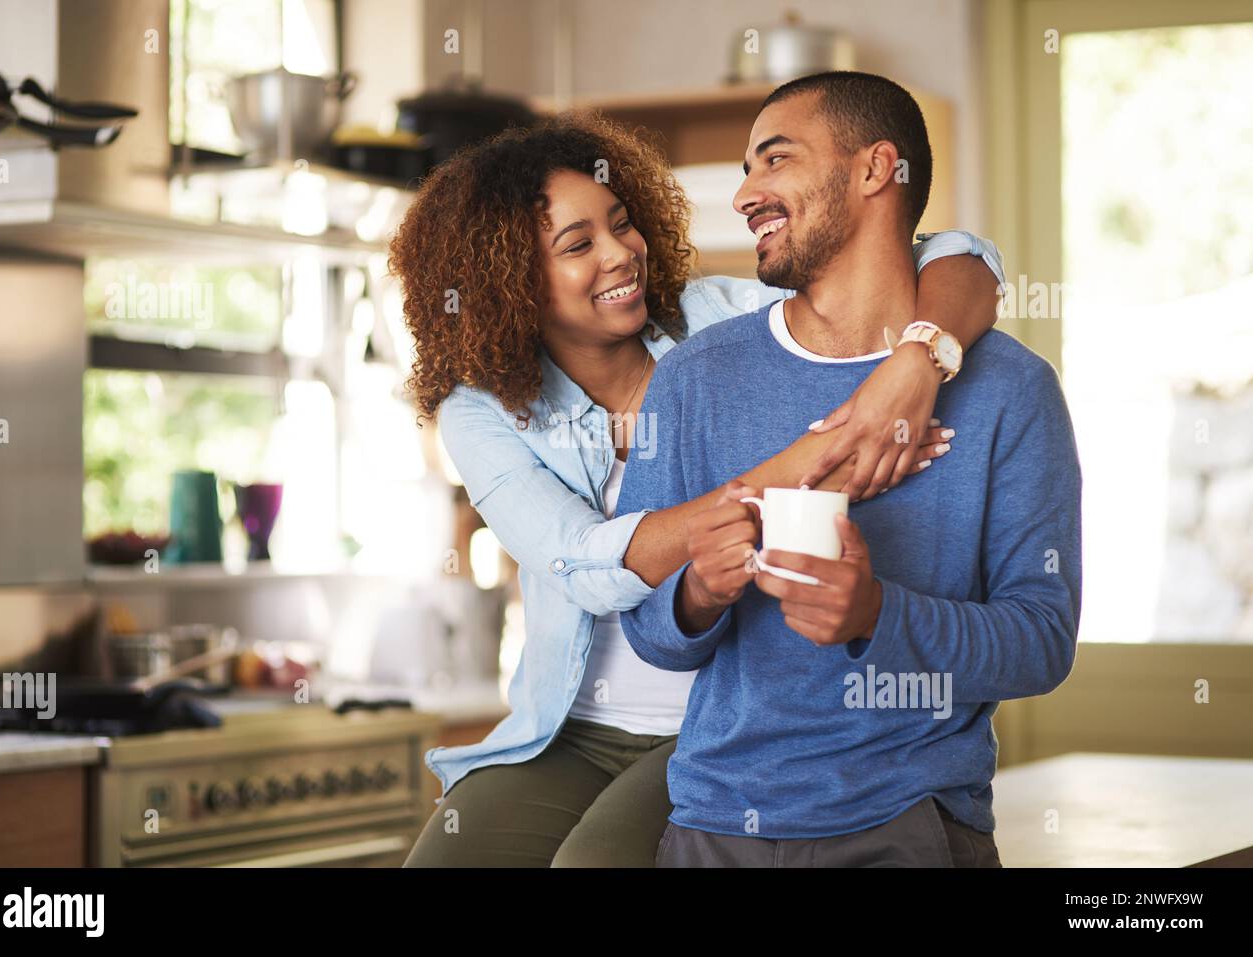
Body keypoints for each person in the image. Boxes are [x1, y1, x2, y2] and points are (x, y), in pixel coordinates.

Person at [391, 110, 1007, 867]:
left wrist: (917, 362)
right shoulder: (480, 409)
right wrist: (827, 449)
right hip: (567, 728)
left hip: (716, 723)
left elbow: (961, 256)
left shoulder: (723, 318)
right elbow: (583, 563)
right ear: (507, 281)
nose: (622, 254)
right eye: (579, 244)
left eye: (622, 224)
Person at [617, 71, 1082, 867]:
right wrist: (698, 590)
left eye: (775, 160)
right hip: (714, 825)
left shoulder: (1011, 389)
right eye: (744, 171)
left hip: (910, 824)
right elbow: (652, 632)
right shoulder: (694, 378)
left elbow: (1041, 641)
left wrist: (875, 612)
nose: (746, 195)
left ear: (875, 170)